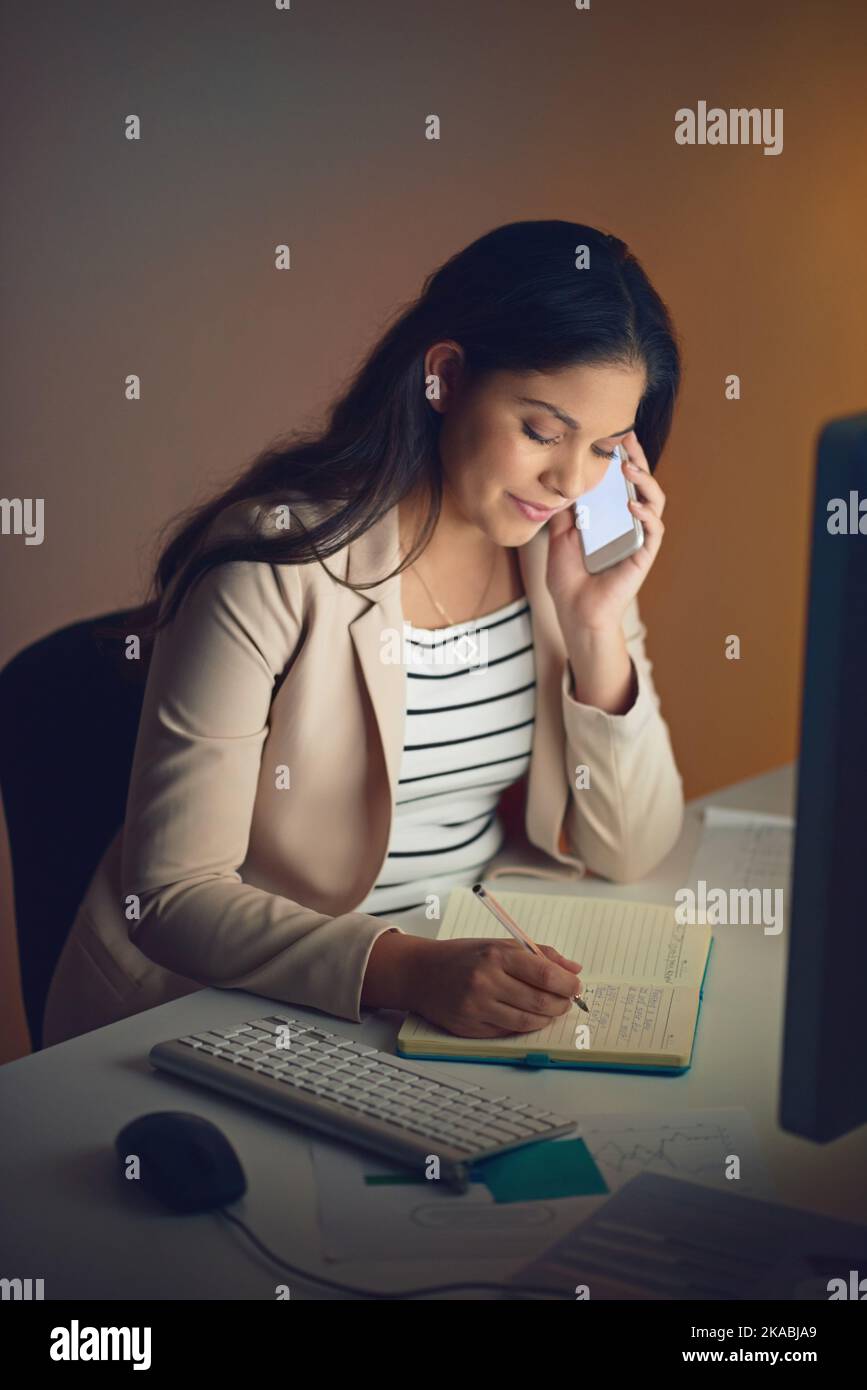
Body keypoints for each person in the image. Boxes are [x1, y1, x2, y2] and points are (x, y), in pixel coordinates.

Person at [42, 219, 684, 1048]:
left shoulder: (567, 555)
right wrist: (411, 969)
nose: (568, 482)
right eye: (540, 430)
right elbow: (172, 893)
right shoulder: (274, 563)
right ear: (446, 378)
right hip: (233, 1003)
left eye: (602, 449)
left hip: (449, 985)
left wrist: (596, 627)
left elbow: (632, 849)